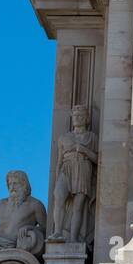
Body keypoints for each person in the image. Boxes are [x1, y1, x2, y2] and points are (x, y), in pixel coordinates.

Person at [51, 104, 97, 242]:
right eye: (75, 116)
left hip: (83, 168)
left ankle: (73, 238)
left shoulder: (92, 137)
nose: (77, 118)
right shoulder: (64, 138)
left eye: (80, 116)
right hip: (66, 169)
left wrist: (83, 149)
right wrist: (57, 177)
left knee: (78, 206)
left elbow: (97, 158)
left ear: (86, 119)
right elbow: (59, 161)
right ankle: (57, 232)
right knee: (58, 197)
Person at [0, 170, 47, 258]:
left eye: (15, 184)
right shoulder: (1, 203)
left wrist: (30, 228)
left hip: (8, 244)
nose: (12, 187)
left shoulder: (35, 205)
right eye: (10, 184)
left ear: (24, 185)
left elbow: (46, 229)